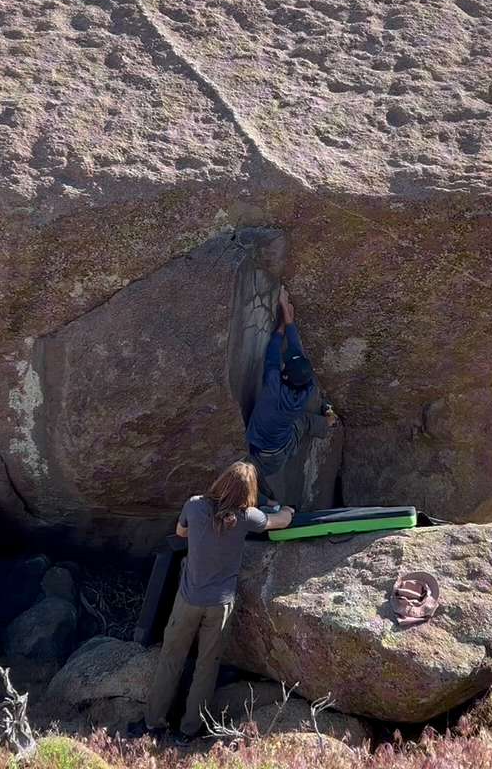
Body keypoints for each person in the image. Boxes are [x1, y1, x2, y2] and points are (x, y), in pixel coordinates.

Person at [133, 461, 294, 745]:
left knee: (171, 659)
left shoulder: (194, 506)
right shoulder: (248, 517)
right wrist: (285, 510)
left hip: (188, 600)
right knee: (207, 667)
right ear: (249, 492)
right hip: (220, 605)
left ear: (220, 481)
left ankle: (153, 723)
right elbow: (280, 521)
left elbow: (181, 533)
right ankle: (189, 730)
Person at [246, 286, 337, 501]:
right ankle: (331, 419)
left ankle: (263, 492)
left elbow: (272, 356)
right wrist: (289, 321)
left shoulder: (273, 388)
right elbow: (298, 352)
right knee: (304, 421)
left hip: (265, 454)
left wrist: (280, 327)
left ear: (285, 376)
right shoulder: (306, 389)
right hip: (285, 440)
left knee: (302, 422)